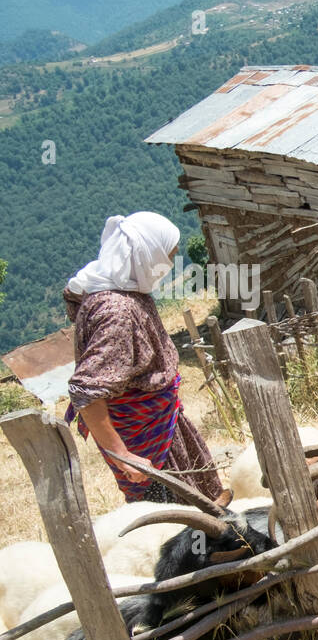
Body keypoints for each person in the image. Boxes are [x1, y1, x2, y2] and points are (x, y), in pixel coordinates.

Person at [63, 212, 222, 503]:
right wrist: (123, 456)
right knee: (181, 523)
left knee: (200, 511)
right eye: (168, 256)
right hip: (148, 446)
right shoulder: (117, 312)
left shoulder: (120, 291)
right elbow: (85, 391)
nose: (171, 264)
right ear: (146, 256)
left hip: (160, 428)